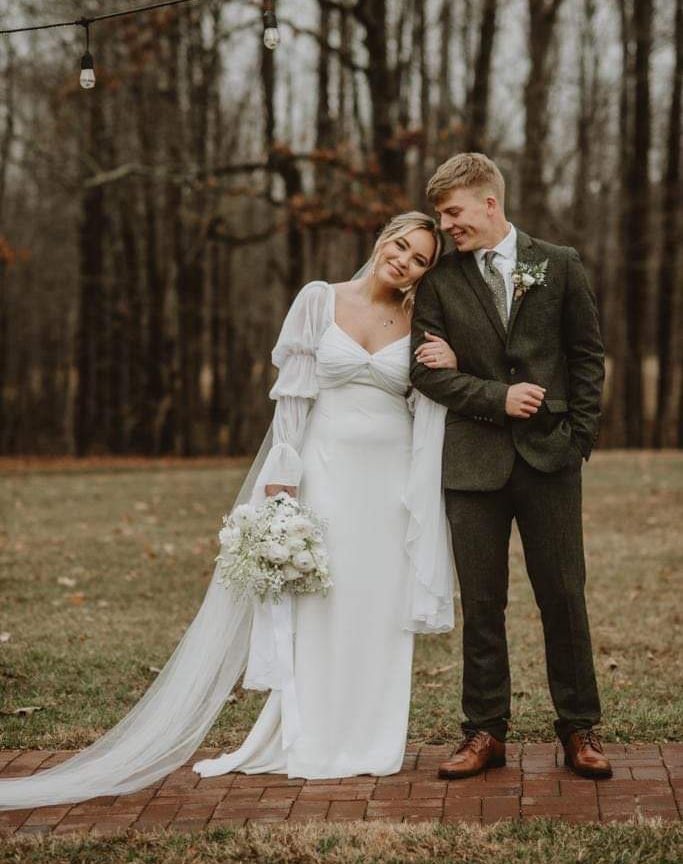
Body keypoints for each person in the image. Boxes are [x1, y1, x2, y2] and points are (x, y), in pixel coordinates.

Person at [0, 211, 457, 810]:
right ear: (382, 239)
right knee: (324, 600)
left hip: (391, 479)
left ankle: (373, 738)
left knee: (377, 603)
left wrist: (449, 360)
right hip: (327, 470)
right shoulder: (318, 301)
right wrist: (281, 482)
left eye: (420, 259)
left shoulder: (420, 321)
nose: (404, 261)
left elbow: (427, 399)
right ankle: (312, 734)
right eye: (401, 246)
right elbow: (291, 400)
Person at [410, 152, 612, 781]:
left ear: (489, 203)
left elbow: (586, 356)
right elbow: (423, 372)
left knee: (563, 595)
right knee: (484, 602)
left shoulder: (559, 265)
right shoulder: (440, 283)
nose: (447, 227)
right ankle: (484, 733)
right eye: (443, 216)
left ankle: (579, 730)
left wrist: (578, 437)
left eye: (454, 213)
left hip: (551, 458)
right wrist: (496, 396)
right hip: (472, 466)